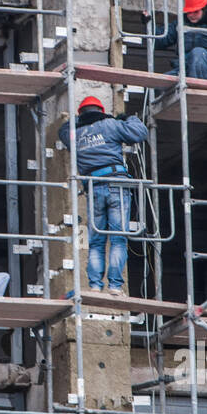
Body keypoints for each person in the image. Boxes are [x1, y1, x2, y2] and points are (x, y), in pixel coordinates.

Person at [57, 96, 149, 295]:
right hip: (117, 185)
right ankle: (115, 286)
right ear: (100, 111)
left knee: (97, 241)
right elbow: (140, 132)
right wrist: (127, 119)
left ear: (81, 114)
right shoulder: (110, 125)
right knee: (118, 239)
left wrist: (75, 120)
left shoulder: (75, 133)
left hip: (94, 188)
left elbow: (62, 131)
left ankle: (95, 286)